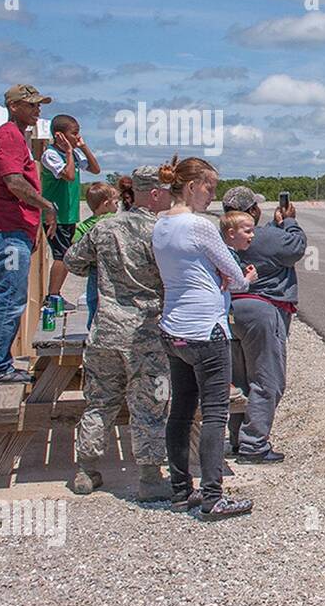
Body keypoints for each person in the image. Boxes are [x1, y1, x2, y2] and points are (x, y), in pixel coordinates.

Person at [153, 157, 255, 521]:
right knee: (214, 414)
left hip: (173, 328)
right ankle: (213, 496)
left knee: (180, 411)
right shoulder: (200, 226)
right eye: (210, 187)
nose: (213, 195)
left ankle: (181, 490)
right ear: (193, 185)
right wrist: (241, 277)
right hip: (206, 329)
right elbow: (237, 277)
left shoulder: (160, 225)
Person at [62, 167, 173, 500]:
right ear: (154, 193)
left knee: (99, 403)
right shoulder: (161, 232)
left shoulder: (103, 228)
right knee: (150, 405)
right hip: (146, 333)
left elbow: (73, 262)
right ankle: (150, 477)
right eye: (167, 191)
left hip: (106, 330)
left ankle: (86, 471)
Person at [0, 84, 58, 385]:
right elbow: (14, 182)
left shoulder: (18, 137)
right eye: (32, 105)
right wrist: (47, 206)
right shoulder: (9, 136)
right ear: (14, 106)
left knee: (10, 298)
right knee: (10, 300)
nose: (38, 110)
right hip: (5, 228)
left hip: (15, 228)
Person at [221, 185, 306, 464]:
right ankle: (254, 444)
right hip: (263, 311)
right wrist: (291, 222)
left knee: (241, 380)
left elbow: (265, 240)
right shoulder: (266, 237)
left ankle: (238, 439)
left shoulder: (224, 236)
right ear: (253, 211)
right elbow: (296, 247)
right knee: (268, 379)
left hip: (231, 312)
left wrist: (274, 226)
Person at [39, 114, 100, 313]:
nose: (77, 136)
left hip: (69, 213)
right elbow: (69, 175)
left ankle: (55, 294)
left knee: (65, 252)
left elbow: (95, 169)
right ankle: (53, 296)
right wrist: (67, 152)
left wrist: (82, 147)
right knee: (61, 254)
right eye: (74, 133)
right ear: (59, 135)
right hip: (56, 215)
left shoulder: (73, 154)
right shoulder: (51, 155)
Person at [72, 181, 120, 327]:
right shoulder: (114, 221)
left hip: (94, 268)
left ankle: (92, 326)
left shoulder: (85, 225)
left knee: (93, 299)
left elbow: (74, 244)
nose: (118, 206)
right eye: (116, 203)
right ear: (106, 204)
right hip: (113, 269)